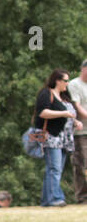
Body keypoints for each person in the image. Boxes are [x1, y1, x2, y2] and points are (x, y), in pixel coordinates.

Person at [33, 70, 79, 206]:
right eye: (65, 80)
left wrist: (76, 122)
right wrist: (63, 113)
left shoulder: (64, 96)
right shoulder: (46, 93)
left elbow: (70, 114)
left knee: (54, 169)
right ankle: (55, 198)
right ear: (57, 81)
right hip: (52, 137)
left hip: (64, 138)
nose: (67, 83)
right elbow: (43, 113)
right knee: (55, 168)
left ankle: (47, 200)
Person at [68, 59, 87, 203]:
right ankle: (82, 197)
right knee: (80, 164)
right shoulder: (74, 84)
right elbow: (77, 107)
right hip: (80, 132)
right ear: (84, 69)